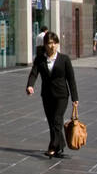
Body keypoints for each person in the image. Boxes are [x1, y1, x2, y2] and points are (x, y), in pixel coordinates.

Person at [25, 31, 79, 159]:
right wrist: (30, 85)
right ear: (45, 45)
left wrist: (75, 98)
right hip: (47, 95)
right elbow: (34, 73)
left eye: (55, 43)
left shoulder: (64, 59)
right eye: (49, 43)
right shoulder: (40, 59)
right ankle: (59, 146)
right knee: (51, 122)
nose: (52, 46)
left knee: (57, 120)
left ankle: (52, 146)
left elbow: (71, 79)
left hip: (62, 95)